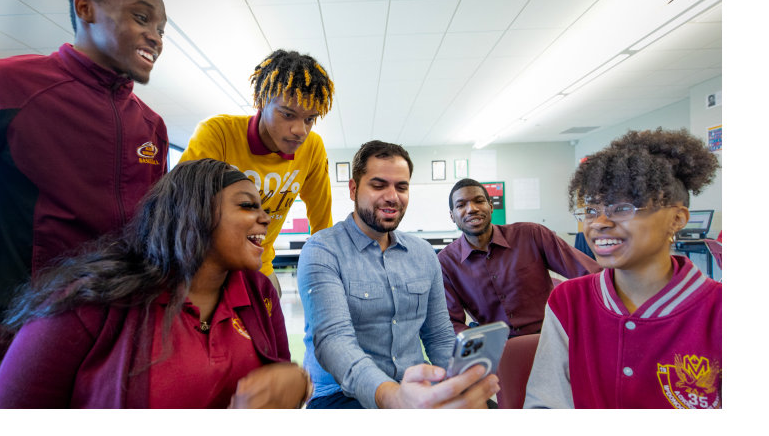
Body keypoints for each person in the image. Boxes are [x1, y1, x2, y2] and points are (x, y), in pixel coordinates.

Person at [0, 159, 312, 408]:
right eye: (246, 205)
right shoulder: (89, 304)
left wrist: (298, 382)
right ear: (192, 212)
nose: (266, 218)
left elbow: (282, 371)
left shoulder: (259, 292)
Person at [0, 0, 170, 385]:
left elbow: (148, 235)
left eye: (161, 29)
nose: (156, 37)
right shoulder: (1, 86)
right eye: (142, 17)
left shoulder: (151, 126)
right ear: (85, 8)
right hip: (9, 341)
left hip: (111, 342)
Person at [523, 128, 721, 409]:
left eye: (623, 207)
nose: (599, 222)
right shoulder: (569, 300)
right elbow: (545, 405)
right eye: (591, 210)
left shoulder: (720, 310)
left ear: (677, 218)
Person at [297, 141, 499, 409]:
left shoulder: (423, 253)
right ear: (354, 189)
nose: (392, 196)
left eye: (401, 187)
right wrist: (392, 396)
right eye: (379, 185)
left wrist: (460, 386)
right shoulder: (322, 250)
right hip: (341, 395)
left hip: (415, 386)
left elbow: (438, 334)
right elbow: (334, 340)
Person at [179, 49, 336, 296]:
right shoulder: (216, 134)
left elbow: (322, 221)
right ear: (261, 102)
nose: (300, 130)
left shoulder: (312, 148)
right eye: (287, 114)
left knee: (270, 329)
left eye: (310, 119)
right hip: (204, 268)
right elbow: (181, 209)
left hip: (259, 267)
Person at [438, 178, 601, 337]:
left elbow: (590, 274)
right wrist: (482, 346)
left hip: (549, 336)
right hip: (496, 347)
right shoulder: (446, 263)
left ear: (491, 206)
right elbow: (451, 323)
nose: (472, 209)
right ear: (452, 215)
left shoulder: (531, 235)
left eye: (479, 201)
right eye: (461, 205)